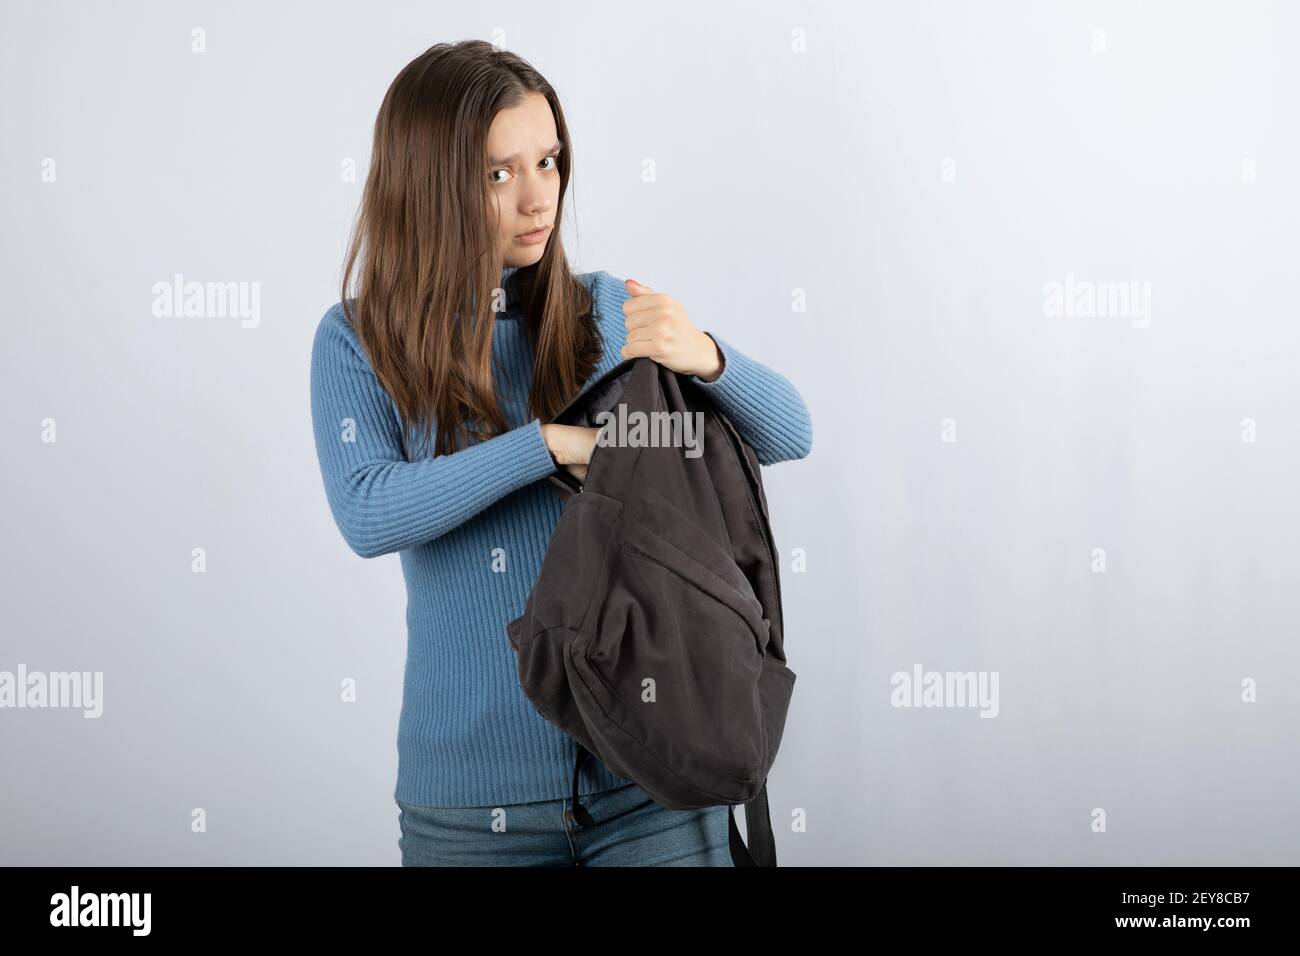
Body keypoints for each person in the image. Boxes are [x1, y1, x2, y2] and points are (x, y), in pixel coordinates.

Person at [309, 40, 813, 866]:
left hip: (649, 781)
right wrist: (545, 444)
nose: (537, 197)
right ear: (430, 185)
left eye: (548, 161)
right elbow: (369, 509)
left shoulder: (601, 310)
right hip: (470, 806)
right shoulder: (358, 341)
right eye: (498, 174)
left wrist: (704, 354)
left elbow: (788, 433)